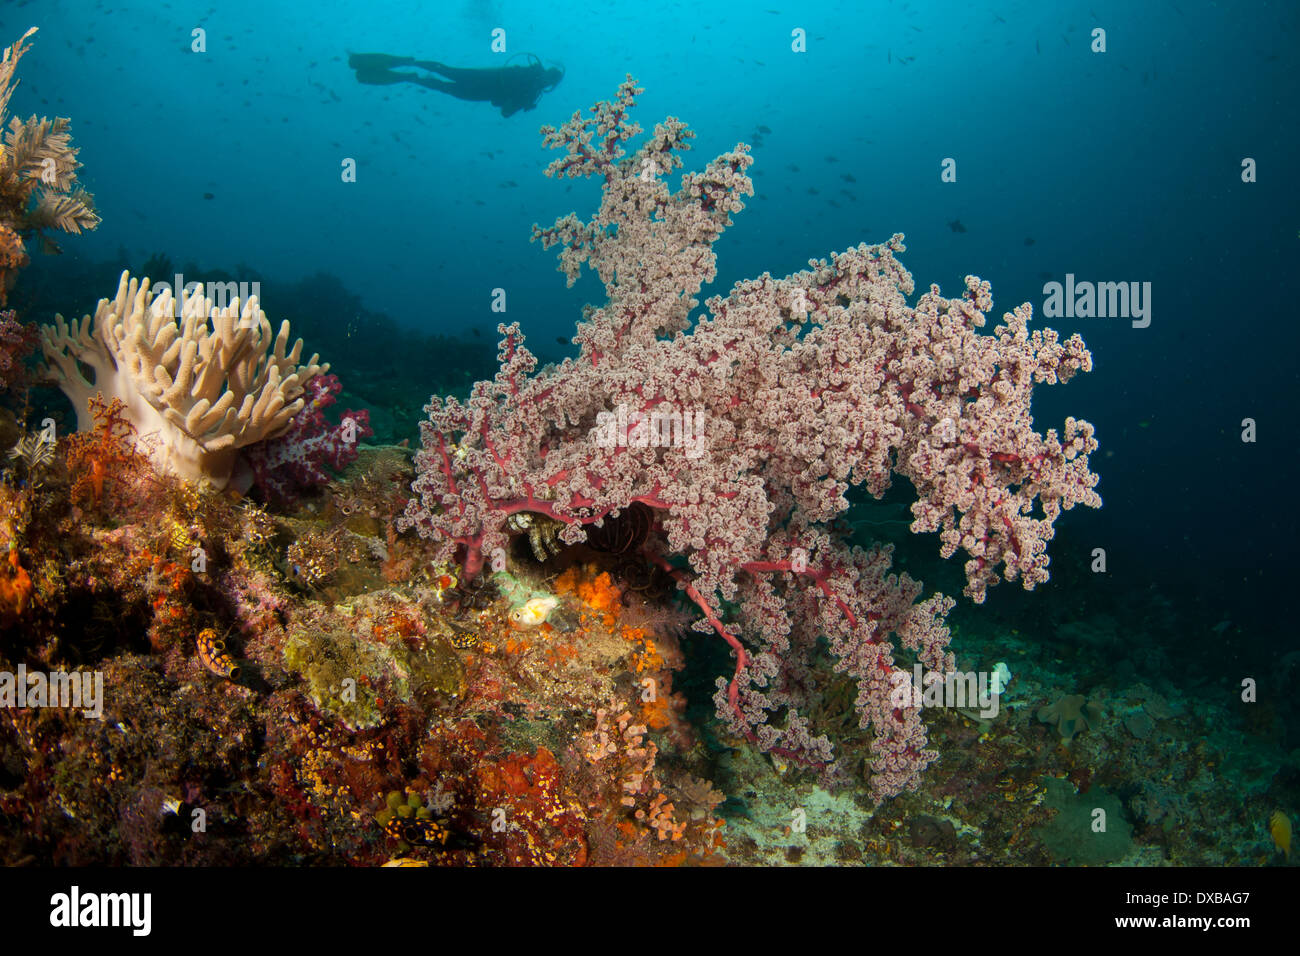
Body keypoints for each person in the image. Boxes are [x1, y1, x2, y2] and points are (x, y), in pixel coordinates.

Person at [348, 51, 563, 117]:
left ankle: (410, 75)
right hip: (482, 79)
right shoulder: (532, 78)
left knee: (444, 85)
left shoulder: (532, 95)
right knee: (446, 71)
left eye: (550, 79)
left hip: (480, 90)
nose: (546, 79)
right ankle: (408, 63)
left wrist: (521, 104)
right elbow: (505, 110)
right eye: (550, 76)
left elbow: (504, 112)